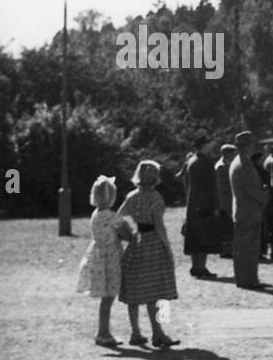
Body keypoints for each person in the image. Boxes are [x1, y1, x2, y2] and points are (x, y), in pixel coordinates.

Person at [118, 160, 180, 348]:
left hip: (137, 243)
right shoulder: (156, 198)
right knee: (159, 291)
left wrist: (128, 235)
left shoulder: (131, 196)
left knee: (134, 291)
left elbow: (118, 218)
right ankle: (159, 333)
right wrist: (168, 248)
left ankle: (135, 332)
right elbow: (159, 226)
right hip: (153, 243)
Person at [76, 175, 127, 347]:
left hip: (98, 254)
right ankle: (103, 333)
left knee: (106, 296)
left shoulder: (95, 214)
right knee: (109, 296)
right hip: (111, 257)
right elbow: (126, 235)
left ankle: (104, 331)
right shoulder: (113, 216)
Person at [229, 131, 267, 288]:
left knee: (244, 248)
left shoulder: (237, 161)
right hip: (248, 212)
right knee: (248, 249)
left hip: (243, 210)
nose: (254, 146)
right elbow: (252, 189)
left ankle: (246, 278)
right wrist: (264, 197)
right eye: (252, 143)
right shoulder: (244, 164)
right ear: (247, 145)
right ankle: (248, 280)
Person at [182, 135, 220, 278]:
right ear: (204, 145)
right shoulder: (205, 162)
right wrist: (215, 205)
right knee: (204, 236)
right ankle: (201, 267)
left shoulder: (191, 161)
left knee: (194, 236)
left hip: (193, 202)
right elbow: (211, 186)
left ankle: (195, 266)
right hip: (205, 203)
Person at [213, 143, 237, 260]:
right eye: (233, 153)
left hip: (228, 199)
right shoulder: (221, 167)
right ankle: (225, 250)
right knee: (225, 224)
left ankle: (228, 248)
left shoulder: (227, 165)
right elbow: (222, 186)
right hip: (224, 200)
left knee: (228, 224)